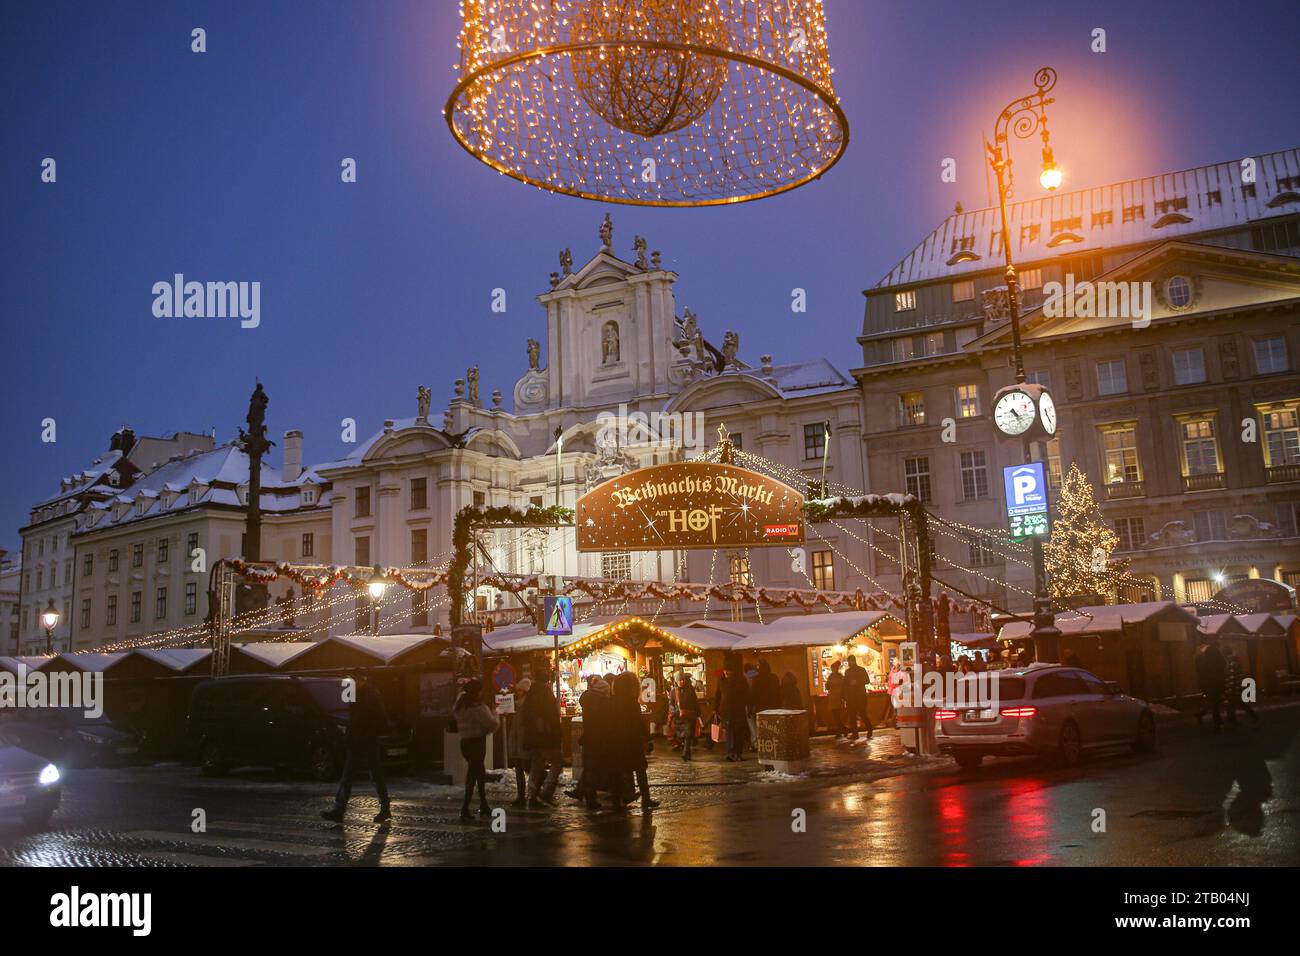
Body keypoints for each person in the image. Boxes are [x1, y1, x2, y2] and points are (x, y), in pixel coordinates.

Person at [322, 674, 392, 824]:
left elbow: (360, 719)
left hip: (366, 740)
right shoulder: (359, 693)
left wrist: (352, 736)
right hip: (361, 740)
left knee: (372, 775)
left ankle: (384, 808)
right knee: (354, 776)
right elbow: (354, 717)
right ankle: (340, 810)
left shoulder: (369, 694)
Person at [449, 678, 499, 821]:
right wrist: (495, 713)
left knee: (478, 772)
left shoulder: (460, 707)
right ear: (477, 692)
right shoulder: (478, 708)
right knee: (474, 773)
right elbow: (492, 725)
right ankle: (466, 808)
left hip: (465, 742)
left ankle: (483, 805)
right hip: (477, 743)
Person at [609, 672, 659, 810]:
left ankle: (617, 800)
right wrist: (647, 739)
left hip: (617, 741)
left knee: (619, 771)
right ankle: (646, 799)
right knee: (640, 771)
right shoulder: (631, 702)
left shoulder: (611, 701)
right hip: (632, 741)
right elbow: (638, 723)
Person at [568, 675, 611, 809]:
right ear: (604, 690)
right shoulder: (602, 702)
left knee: (589, 768)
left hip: (589, 737)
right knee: (596, 768)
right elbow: (603, 723)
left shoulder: (588, 700)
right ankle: (591, 800)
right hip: (599, 738)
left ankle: (583, 793)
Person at [522, 669, 563, 807]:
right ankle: (547, 791)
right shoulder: (546, 693)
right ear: (547, 681)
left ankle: (531, 795)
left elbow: (524, 716)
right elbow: (552, 716)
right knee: (557, 762)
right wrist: (557, 733)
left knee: (536, 765)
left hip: (532, 737)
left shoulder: (530, 694)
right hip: (546, 735)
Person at [718, 658, 750, 761]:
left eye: (728, 670)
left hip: (737, 712)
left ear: (733, 671)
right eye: (725, 670)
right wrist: (715, 708)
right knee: (729, 733)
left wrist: (743, 705)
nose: (726, 672)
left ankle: (738, 753)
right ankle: (731, 753)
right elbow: (718, 694)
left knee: (738, 734)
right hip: (726, 712)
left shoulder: (740, 680)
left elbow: (746, 695)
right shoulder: (721, 681)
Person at [508, 678, 532, 808]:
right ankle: (521, 796)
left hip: (524, 741)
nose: (517, 692)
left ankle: (533, 794)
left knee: (528, 769)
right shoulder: (515, 705)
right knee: (518, 770)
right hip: (517, 740)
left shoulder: (528, 706)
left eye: (520, 690)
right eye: (517, 690)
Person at [1222, 646, 1259, 727]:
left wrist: (1229, 689)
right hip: (1236, 688)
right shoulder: (1234, 661)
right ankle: (1232, 720)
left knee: (1239, 704)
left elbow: (1232, 677)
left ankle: (1254, 718)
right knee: (1232, 705)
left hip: (1234, 689)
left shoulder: (1231, 663)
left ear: (1225, 654)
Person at [1194, 641, 1227, 733]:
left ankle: (1203, 715)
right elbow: (1223, 670)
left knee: (1214, 703)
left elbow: (1200, 674)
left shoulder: (1202, 660)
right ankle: (1218, 724)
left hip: (1208, 685)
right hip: (1217, 684)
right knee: (1215, 703)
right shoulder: (1219, 660)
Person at [842, 654, 873, 741]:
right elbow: (845, 684)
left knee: (863, 714)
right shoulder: (847, 672)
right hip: (852, 697)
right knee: (852, 716)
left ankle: (869, 729)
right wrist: (845, 695)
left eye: (850, 661)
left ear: (853, 661)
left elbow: (867, 680)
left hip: (860, 696)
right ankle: (855, 734)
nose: (849, 663)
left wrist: (857, 682)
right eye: (848, 662)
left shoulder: (861, 670)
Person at [672, 670, 700, 761]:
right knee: (682, 736)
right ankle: (688, 754)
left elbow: (695, 701)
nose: (681, 682)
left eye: (683, 680)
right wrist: (675, 712)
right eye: (679, 680)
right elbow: (671, 704)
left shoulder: (690, 689)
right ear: (676, 681)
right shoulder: (673, 691)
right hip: (678, 716)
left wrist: (698, 712)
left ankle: (685, 752)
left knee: (688, 734)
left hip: (689, 716)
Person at [826, 661, 847, 737]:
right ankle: (843, 730)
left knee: (837, 716)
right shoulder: (836, 676)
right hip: (834, 698)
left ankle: (841, 731)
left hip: (837, 698)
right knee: (836, 716)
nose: (832, 669)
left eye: (833, 668)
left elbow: (828, 686)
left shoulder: (836, 676)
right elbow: (827, 686)